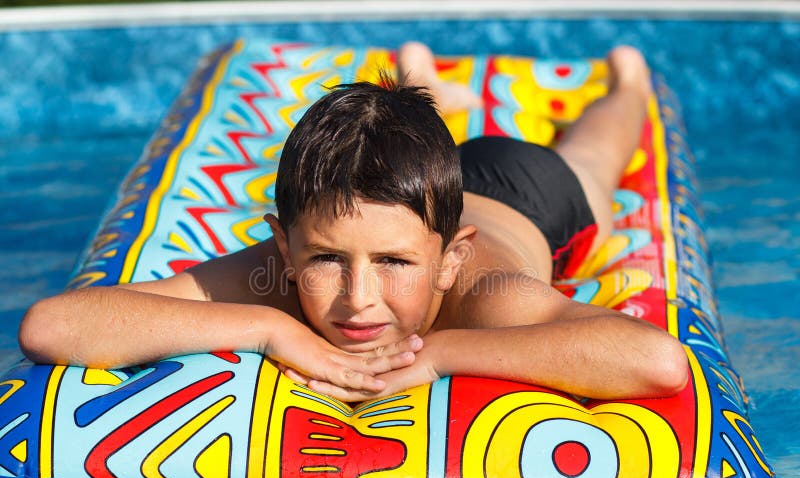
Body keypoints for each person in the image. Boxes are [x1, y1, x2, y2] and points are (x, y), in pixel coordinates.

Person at [18, 42, 688, 402]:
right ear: (284, 245)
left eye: (394, 266)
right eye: (325, 260)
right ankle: (421, 92)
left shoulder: (487, 297)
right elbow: (53, 324)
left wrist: (442, 355)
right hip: (410, 198)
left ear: (452, 259)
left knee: (591, 161)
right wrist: (270, 326)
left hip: (527, 194)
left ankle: (625, 88)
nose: (357, 297)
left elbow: (656, 360)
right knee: (406, 162)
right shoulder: (271, 278)